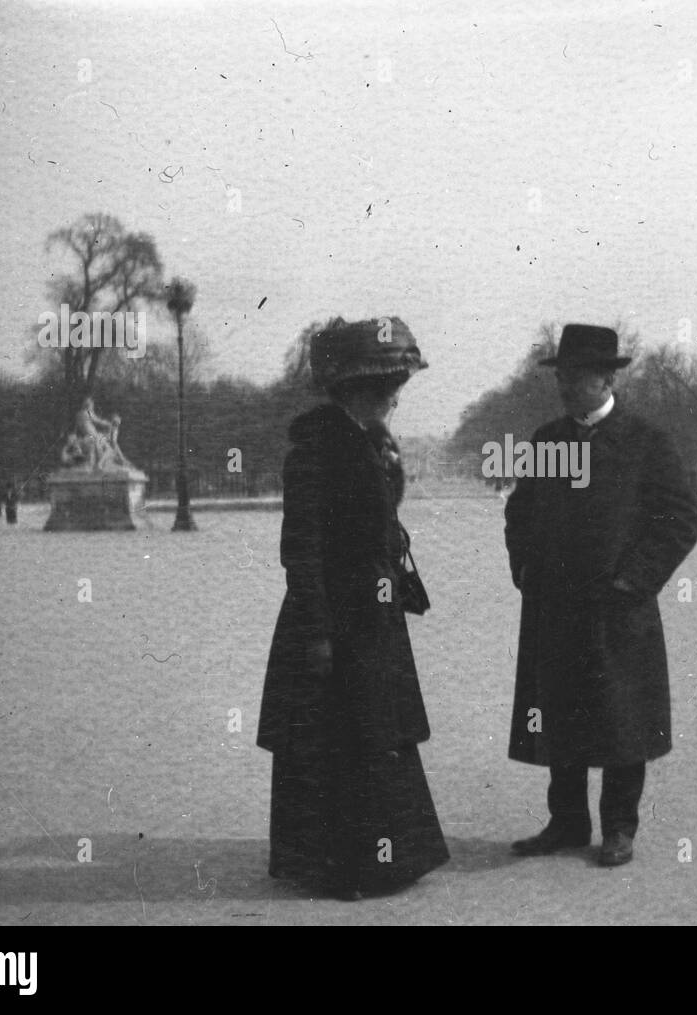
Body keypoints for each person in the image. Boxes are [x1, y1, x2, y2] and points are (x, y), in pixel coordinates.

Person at [257, 316, 448, 899]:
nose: (396, 398)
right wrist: (317, 631)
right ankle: (347, 867)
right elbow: (302, 549)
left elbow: (378, 521)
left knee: (372, 732)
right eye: (388, 388)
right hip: (335, 617)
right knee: (343, 738)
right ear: (358, 390)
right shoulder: (315, 450)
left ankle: (373, 858)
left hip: (373, 613)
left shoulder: (367, 442)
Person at [504, 324, 697, 867]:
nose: (565, 386)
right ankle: (567, 822)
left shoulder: (647, 442)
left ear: (608, 379)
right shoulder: (547, 441)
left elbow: (679, 521)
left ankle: (619, 827)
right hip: (556, 606)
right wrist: (525, 566)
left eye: (577, 377)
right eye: (561, 377)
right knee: (559, 713)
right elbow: (520, 512)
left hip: (619, 608)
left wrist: (633, 581)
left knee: (621, 719)